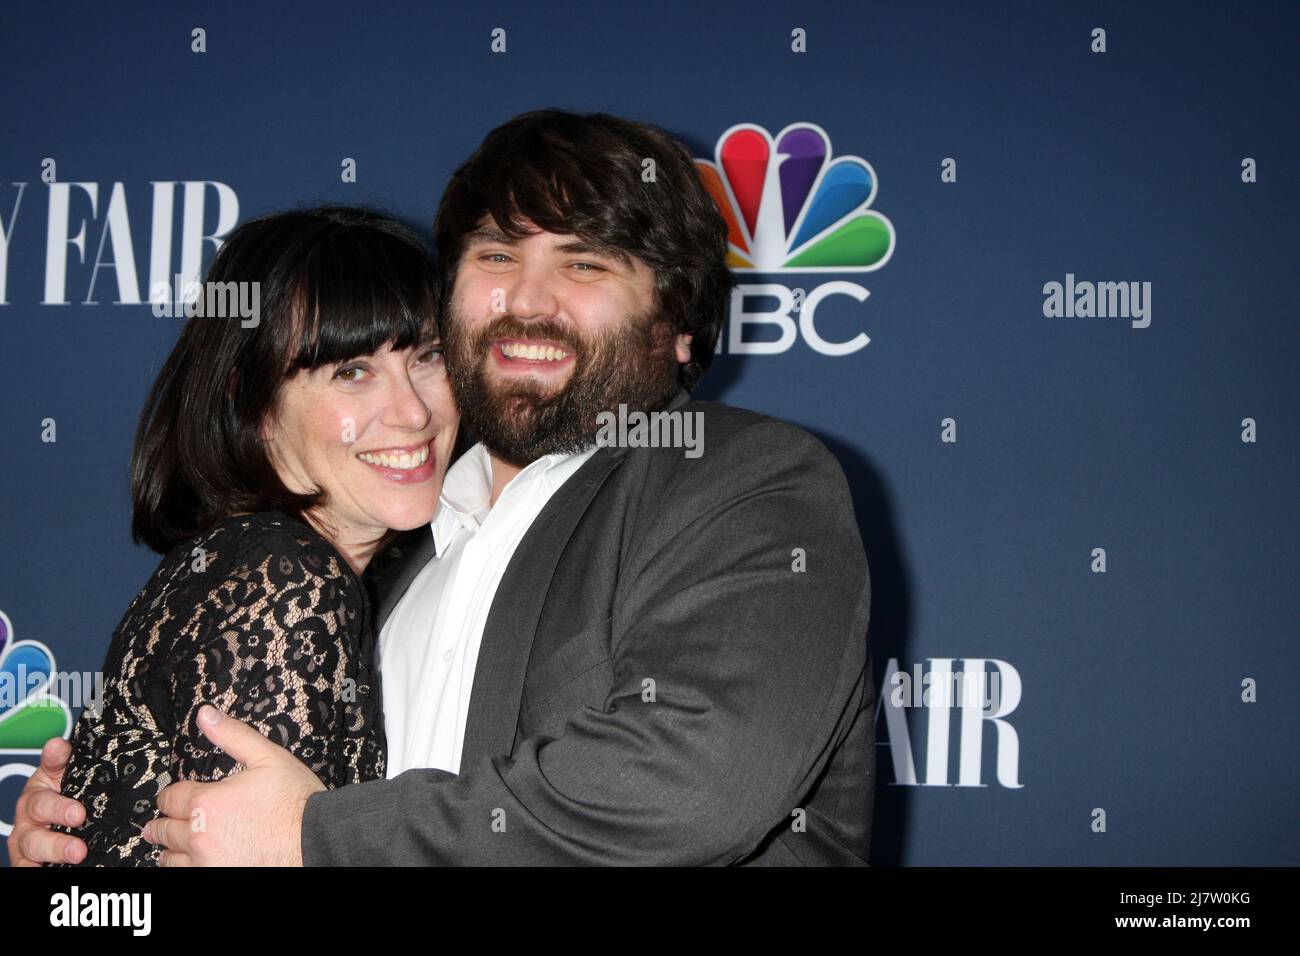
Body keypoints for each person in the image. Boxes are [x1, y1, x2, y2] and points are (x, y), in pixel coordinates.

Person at [10, 109, 874, 867]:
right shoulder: (387, 557)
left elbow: (694, 783)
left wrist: (319, 839)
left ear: (680, 327)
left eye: (585, 265)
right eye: (497, 254)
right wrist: (99, 828)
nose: (526, 300)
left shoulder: (742, 480)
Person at [33, 205, 459, 864]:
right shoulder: (287, 577)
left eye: (428, 356)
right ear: (254, 405)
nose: (414, 411)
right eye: (352, 371)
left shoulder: (240, 562)